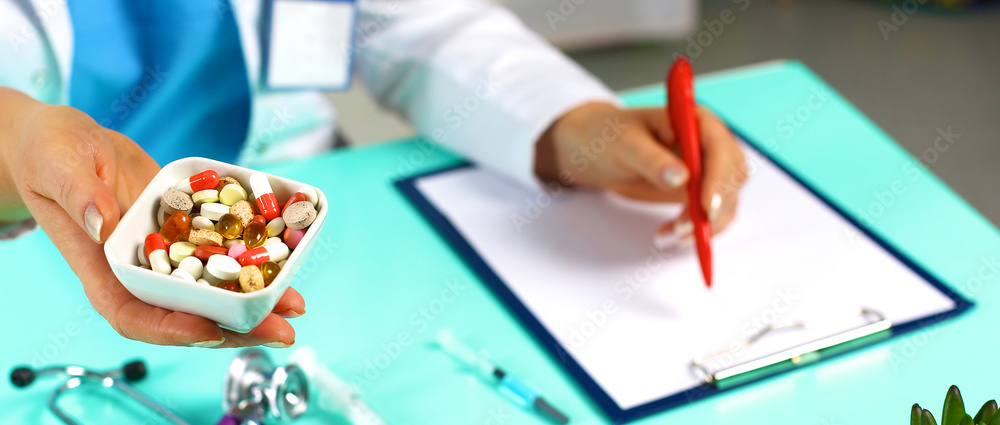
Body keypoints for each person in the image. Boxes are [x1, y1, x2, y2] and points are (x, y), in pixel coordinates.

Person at [0, 0, 747, 348]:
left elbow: (419, 24)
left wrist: (571, 124)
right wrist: (14, 137)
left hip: (303, 222)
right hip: (27, 258)